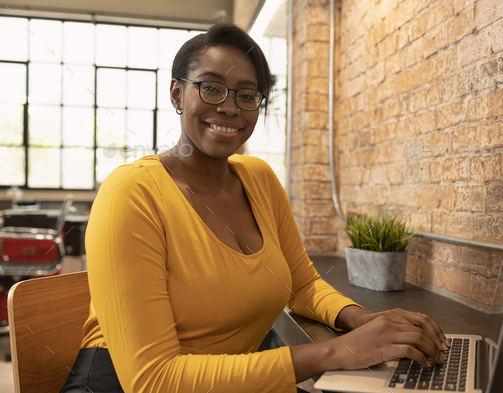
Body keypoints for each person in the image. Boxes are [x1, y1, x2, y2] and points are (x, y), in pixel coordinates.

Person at [61, 22, 448, 393]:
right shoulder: (130, 194)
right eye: (211, 88)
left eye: (247, 95)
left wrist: (360, 319)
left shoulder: (259, 178)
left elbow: (302, 283)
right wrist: (338, 350)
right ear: (177, 95)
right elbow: (154, 380)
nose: (231, 108)